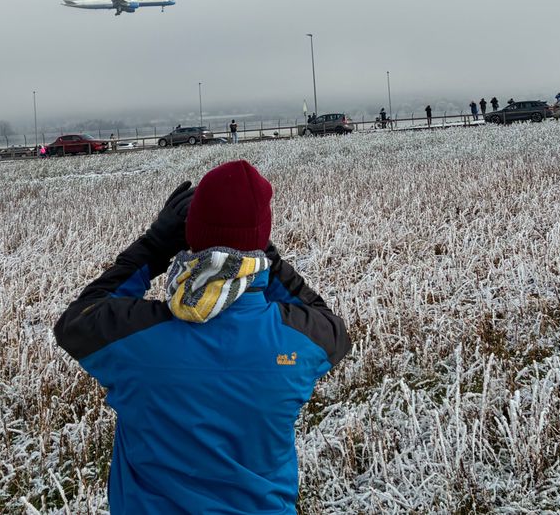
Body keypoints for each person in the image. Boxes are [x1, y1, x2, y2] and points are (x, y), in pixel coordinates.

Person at [54, 161, 351, 514]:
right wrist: (265, 258)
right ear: (258, 248)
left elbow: (77, 320)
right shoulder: (298, 341)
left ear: (189, 236)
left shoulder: (137, 338)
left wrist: (152, 248)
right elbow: (331, 326)